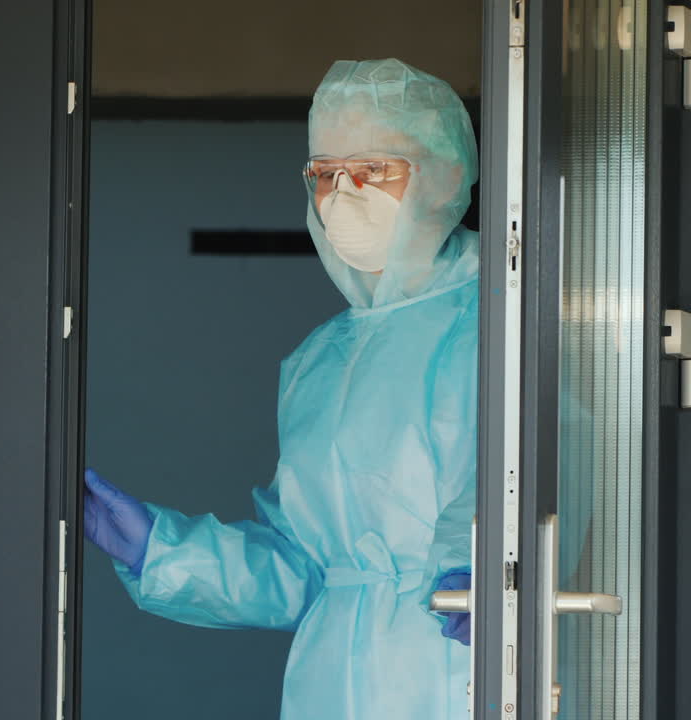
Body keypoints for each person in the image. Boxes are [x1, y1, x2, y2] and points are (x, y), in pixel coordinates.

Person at [84, 58, 478, 720]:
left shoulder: (504, 322)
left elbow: (562, 473)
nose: (344, 192)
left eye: (374, 169)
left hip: (461, 668)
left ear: (444, 174)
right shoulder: (317, 362)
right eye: (325, 173)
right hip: (330, 686)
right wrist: (160, 548)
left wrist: (483, 572)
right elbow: (302, 570)